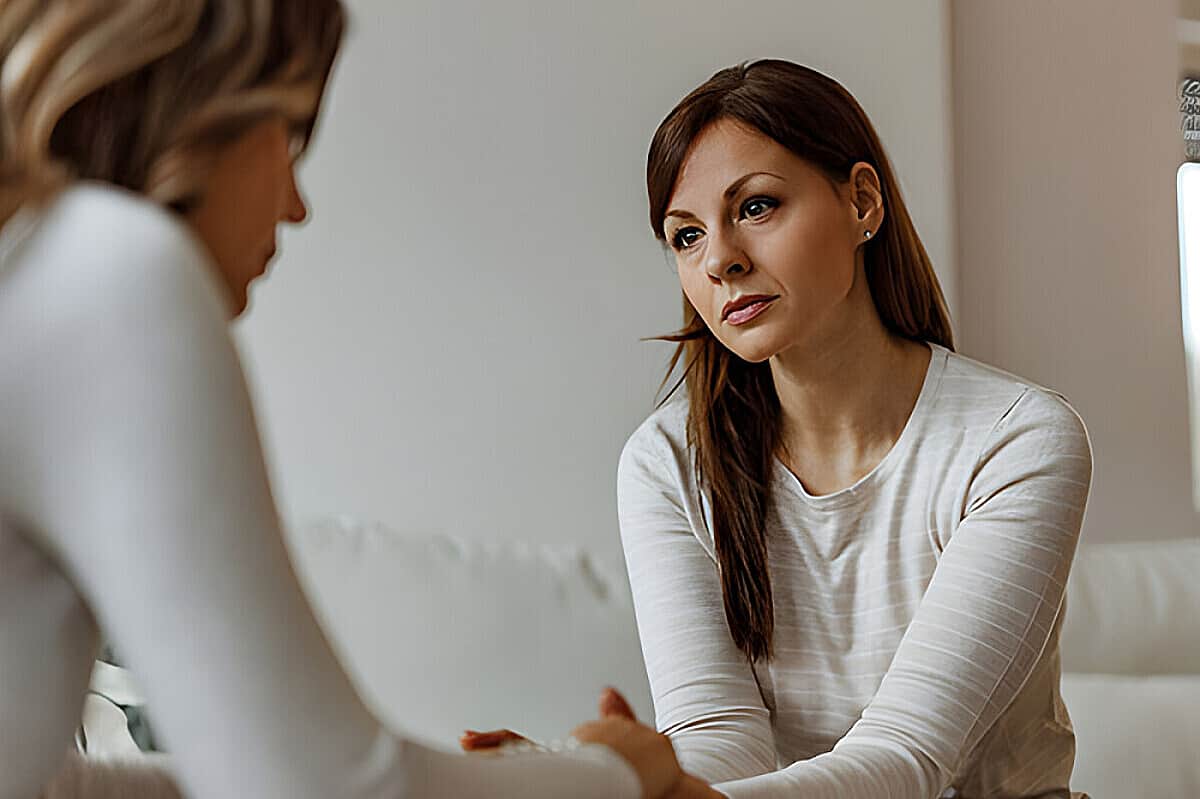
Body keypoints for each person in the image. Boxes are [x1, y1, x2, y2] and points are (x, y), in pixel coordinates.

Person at [0, 2, 692, 797]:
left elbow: (57, 784)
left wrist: (491, 778)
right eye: (291, 136)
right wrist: (621, 767)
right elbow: (333, 791)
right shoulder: (108, 275)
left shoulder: (32, 269)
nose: (297, 205)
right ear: (207, 105)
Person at [607, 59, 1093, 798]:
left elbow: (907, 755)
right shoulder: (668, 462)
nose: (721, 260)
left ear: (862, 201)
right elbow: (721, 736)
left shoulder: (1016, 441)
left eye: (757, 206)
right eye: (686, 236)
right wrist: (585, 780)